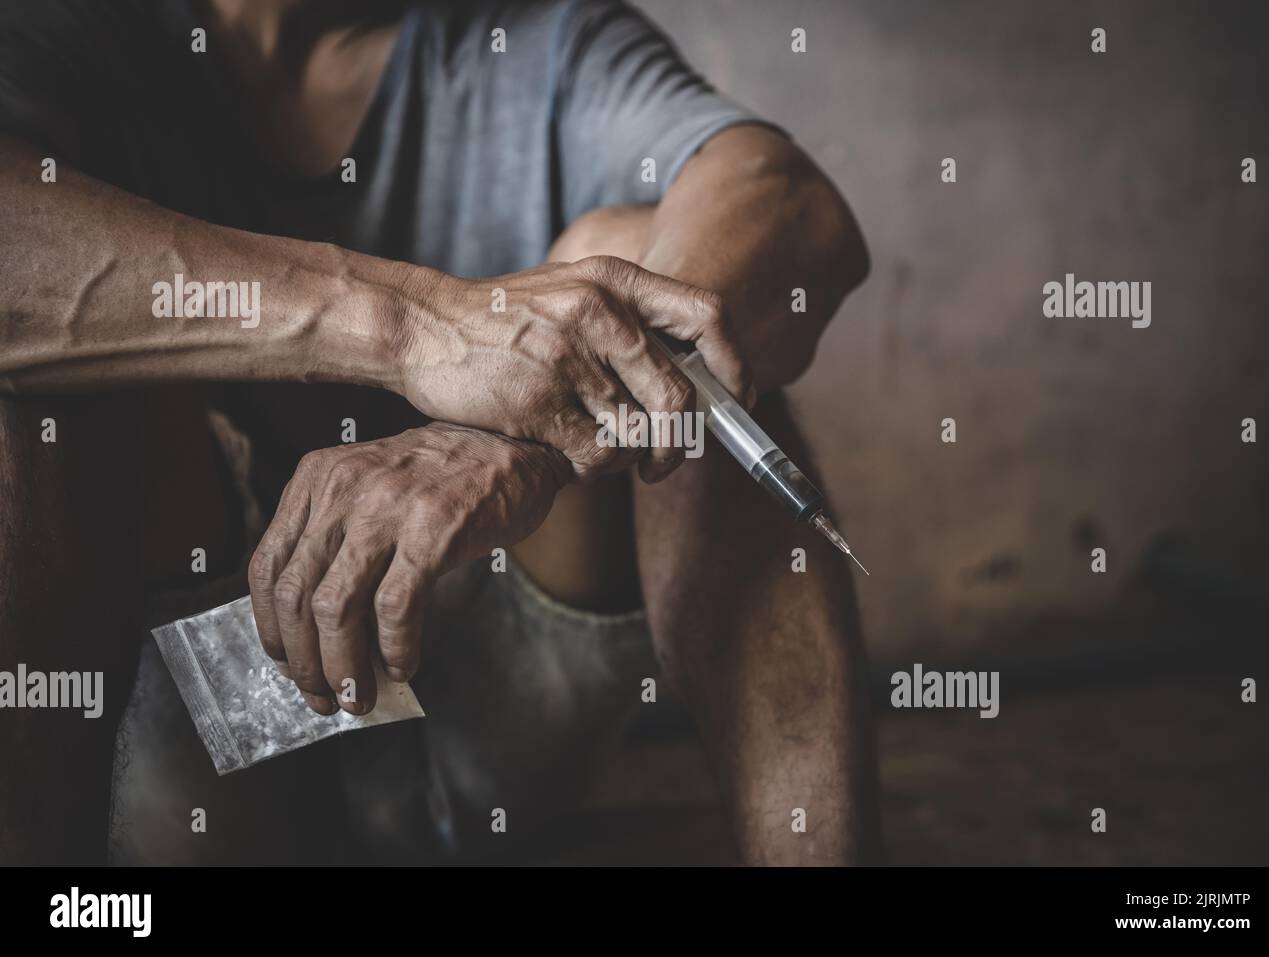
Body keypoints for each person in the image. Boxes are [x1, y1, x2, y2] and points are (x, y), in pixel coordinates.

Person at [0, 0, 879, 864]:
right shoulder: (72, 31)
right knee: (41, 381)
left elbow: (791, 202)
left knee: (686, 338)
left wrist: (515, 436)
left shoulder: (543, 38)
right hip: (210, 722)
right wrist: (418, 328)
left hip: (490, 722)